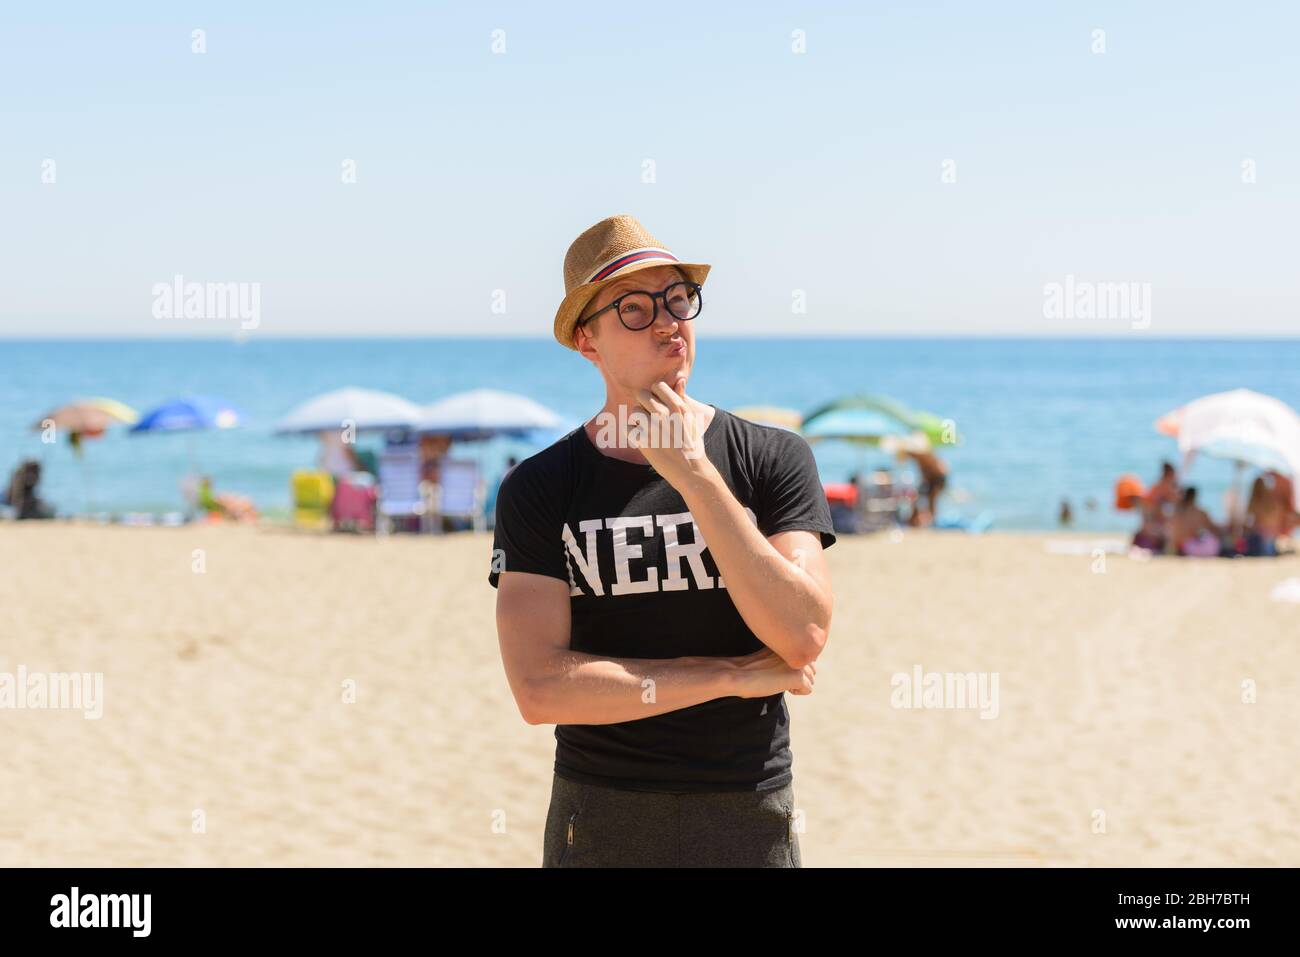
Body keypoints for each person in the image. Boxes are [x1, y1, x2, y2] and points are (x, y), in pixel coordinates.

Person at [488, 214, 835, 868]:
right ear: (587, 339)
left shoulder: (772, 458)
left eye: (677, 299)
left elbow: (802, 636)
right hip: (600, 811)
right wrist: (730, 675)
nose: (668, 321)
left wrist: (695, 475)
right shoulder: (539, 487)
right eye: (635, 307)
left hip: (746, 806)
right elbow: (538, 688)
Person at [1171, 486, 1222, 557]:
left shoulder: (1177, 510)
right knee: (1212, 542)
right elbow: (1211, 526)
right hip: (1188, 545)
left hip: (1179, 545)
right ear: (1195, 497)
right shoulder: (1198, 512)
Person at [1245, 475, 1284, 557]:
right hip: (1272, 533)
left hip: (1260, 535)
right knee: (1268, 550)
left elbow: (1248, 518)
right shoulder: (1271, 500)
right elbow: (1278, 518)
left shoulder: (1255, 501)